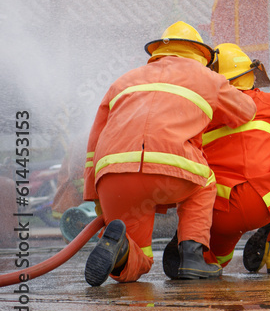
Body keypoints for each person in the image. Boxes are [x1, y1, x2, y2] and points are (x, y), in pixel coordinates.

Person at [82, 22, 257, 286]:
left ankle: (122, 250)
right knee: (205, 182)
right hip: (169, 170)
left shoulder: (124, 80)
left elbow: (94, 141)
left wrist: (92, 192)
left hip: (113, 174)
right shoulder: (207, 78)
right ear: (201, 55)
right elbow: (246, 110)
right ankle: (192, 257)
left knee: (141, 258)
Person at [163, 43, 270, 275]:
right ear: (251, 74)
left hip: (215, 209)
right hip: (259, 200)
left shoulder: (202, 112)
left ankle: (194, 255)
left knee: (217, 261)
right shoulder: (268, 102)